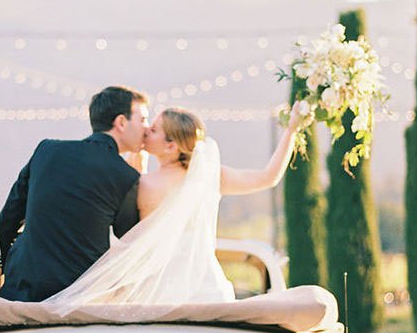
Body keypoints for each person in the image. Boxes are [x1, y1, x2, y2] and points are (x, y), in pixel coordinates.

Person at [44, 101, 307, 311]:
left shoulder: (142, 183)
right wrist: (292, 130)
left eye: (154, 129)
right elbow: (268, 177)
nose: (147, 131)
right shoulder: (209, 176)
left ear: (170, 146)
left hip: (153, 291)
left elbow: (131, 237)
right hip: (206, 288)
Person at [0, 85, 148, 302]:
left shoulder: (47, 151)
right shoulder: (126, 176)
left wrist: (7, 268)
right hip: (79, 296)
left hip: (21, 289)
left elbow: (7, 219)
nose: (146, 128)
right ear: (121, 122)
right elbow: (130, 241)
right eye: (142, 119)